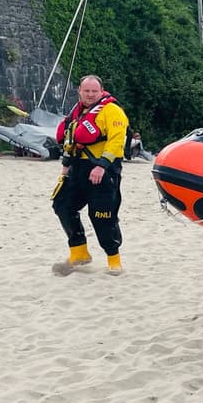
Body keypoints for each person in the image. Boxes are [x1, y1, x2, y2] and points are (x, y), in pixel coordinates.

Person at [52, 75, 129, 276]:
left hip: (103, 170)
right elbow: (70, 139)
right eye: (86, 91)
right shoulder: (77, 112)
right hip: (77, 168)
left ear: (101, 91)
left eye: (94, 91)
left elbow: (116, 141)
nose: (90, 94)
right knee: (62, 205)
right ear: (80, 91)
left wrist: (102, 166)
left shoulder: (112, 111)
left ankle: (114, 260)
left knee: (102, 215)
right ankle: (79, 252)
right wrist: (66, 167)